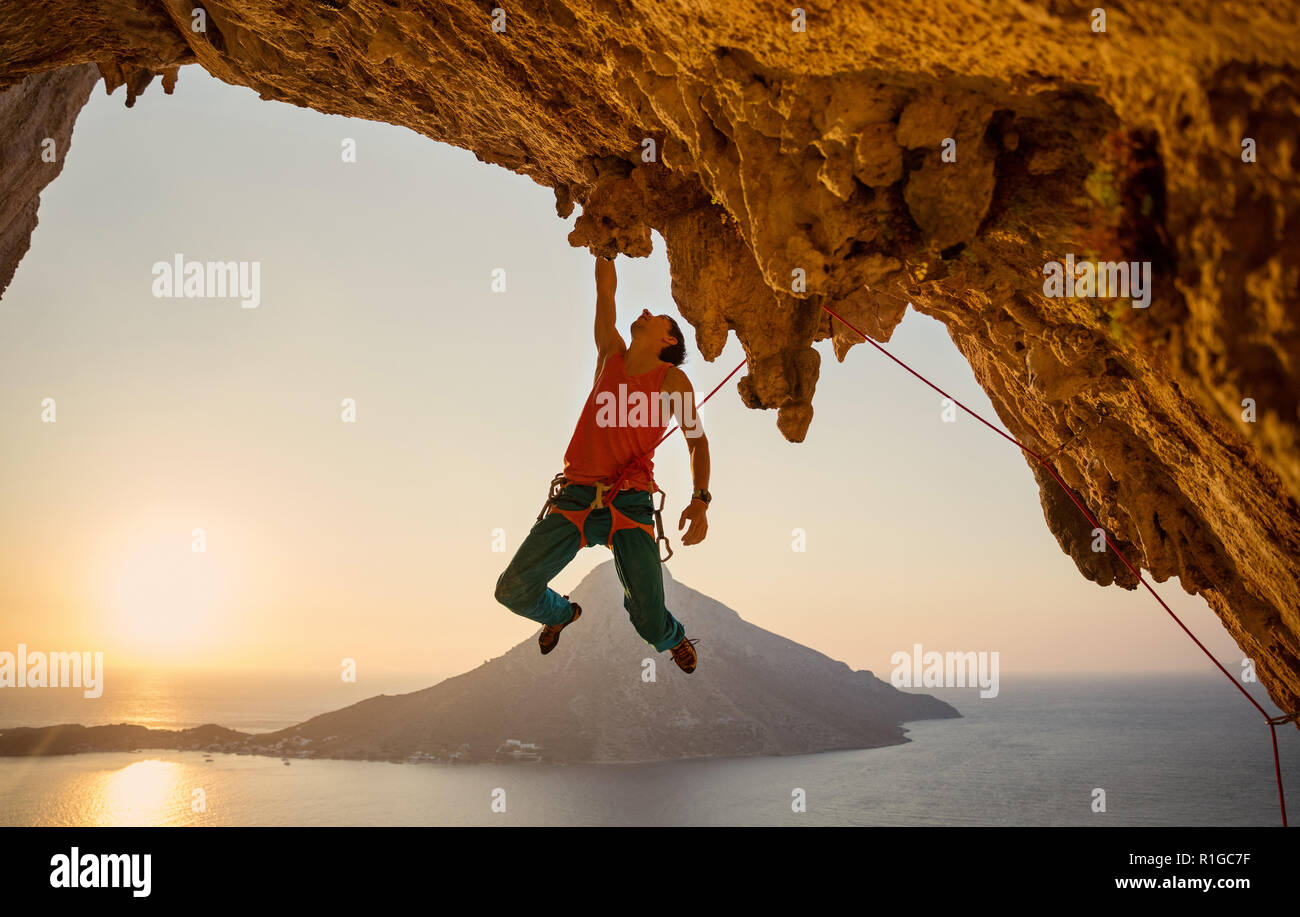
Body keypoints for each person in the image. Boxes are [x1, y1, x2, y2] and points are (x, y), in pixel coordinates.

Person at [494, 254, 711, 673]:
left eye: (657, 317)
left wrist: (700, 498)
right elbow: (605, 289)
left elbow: (697, 442)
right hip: (576, 494)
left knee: (649, 622)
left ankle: (671, 636)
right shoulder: (610, 353)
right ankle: (560, 614)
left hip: (629, 502)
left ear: (668, 341)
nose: (644, 312)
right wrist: (605, 245)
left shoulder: (671, 380)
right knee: (512, 590)